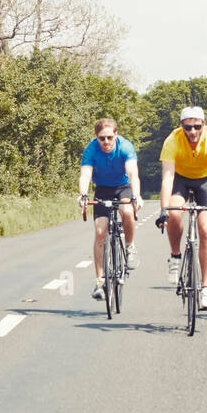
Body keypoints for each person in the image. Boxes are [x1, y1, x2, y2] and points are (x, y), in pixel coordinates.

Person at [156, 106, 207, 311]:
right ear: (182, 126)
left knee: (206, 227)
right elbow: (168, 177)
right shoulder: (172, 140)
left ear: (204, 125)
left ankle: (206, 288)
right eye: (188, 127)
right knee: (174, 212)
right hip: (181, 179)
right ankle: (175, 255)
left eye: (197, 126)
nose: (193, 131)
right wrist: (163, 209)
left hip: (206, 180)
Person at [79, 117, 142, 301]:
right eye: (101, 138)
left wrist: (136, 195)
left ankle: (129, 247)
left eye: (109, 137)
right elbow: (85, 175)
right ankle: (100, 282)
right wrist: (83, 194)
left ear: (116, 134)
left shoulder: (125, 147)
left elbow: (132, 173)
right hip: (102, 189)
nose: (106, 142)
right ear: (96, 138)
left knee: (128, 211)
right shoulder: (91, 149)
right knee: (100, 233)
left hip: (123, 187)